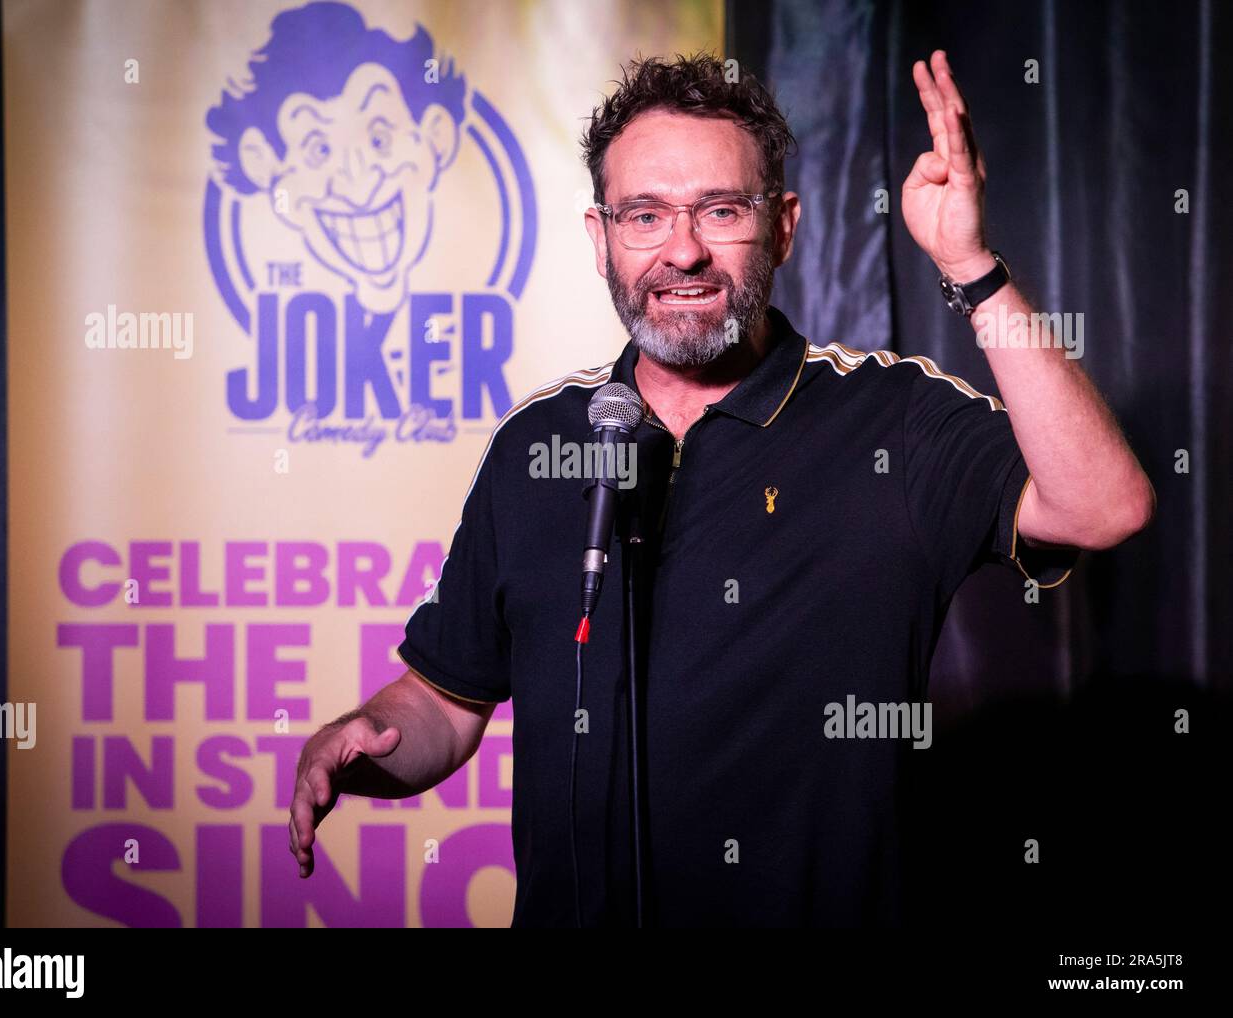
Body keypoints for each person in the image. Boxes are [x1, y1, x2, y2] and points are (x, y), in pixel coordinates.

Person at [288, 50, 1154, 927]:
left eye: (721, 210)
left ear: (782, 226)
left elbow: (1103, 505)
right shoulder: (538, 443)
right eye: (646, 215)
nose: (683, 250)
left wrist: (973, 268)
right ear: (601, 238)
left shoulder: (892, 416)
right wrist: (361, 743)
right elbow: (445, 697)